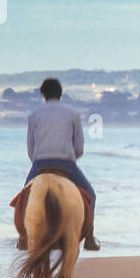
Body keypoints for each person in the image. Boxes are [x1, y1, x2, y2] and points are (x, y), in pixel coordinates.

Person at [24, 78, 99, 250]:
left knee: (24, 197)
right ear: (60, 94)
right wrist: (69, 158)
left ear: (42, 95)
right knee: (90, 195)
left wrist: (39, 163)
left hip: (40, 164)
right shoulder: (73, 114)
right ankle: (89, 238)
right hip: (66, 163)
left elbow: (30, 150)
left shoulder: (33, 116)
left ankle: (23, 237)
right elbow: (79, 148)